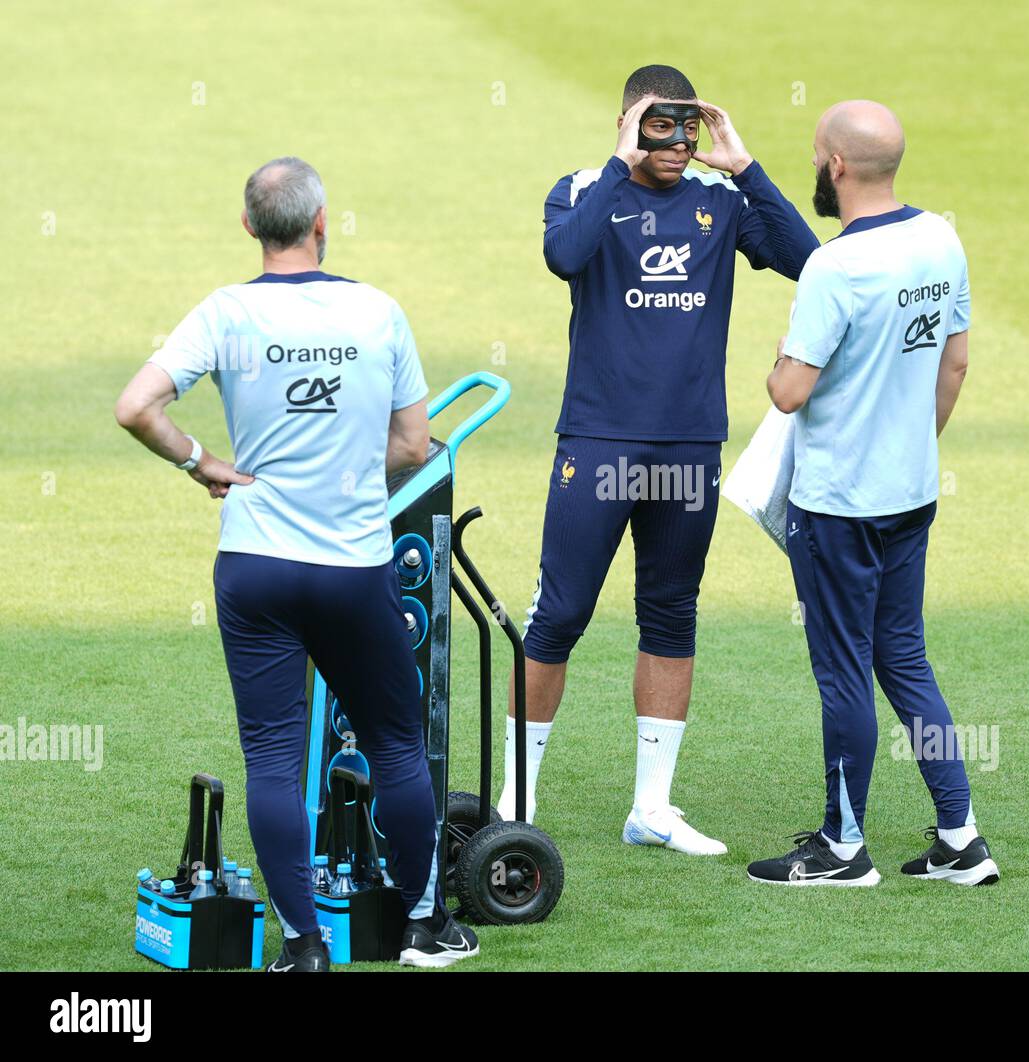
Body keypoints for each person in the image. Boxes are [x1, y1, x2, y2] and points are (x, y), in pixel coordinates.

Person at [114, 157, 481, 969]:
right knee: (394, 741)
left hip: (254, 566)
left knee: (273, 756)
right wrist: (350, 472)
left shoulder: (225, 311)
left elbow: (136, 407)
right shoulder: (379, 310)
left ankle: (303, 947)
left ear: (250, 227)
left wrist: (201, 463)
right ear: (324, 222)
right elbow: (415, 445)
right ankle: (424, 928)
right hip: (351, 566)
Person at [501, 64, 819, 855]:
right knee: (561, 614)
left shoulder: (721, 200)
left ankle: (652, 809)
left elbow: (811, 261)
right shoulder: (582, 188)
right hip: (599, 441)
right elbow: (565, 258)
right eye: (660, 126)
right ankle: (515, 799)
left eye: (687, 126)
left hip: (687, 444)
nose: (677, 143)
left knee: (672, 615)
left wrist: (743, 164)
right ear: (629, 121)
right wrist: (618, 162)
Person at [747, 102, 1000, 888]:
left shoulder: (835, 267)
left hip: (838, 504)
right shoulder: (940, 238)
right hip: (910, 491)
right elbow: (953, 364)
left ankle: (843, 848)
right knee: (904, 658)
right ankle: (960, 837)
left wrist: (777, 360)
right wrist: (911, 450)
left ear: (836, 166)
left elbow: (789, 392)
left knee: (845, 672)